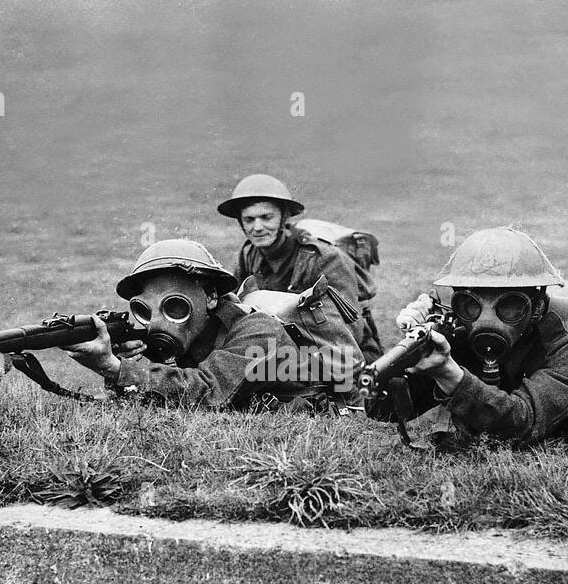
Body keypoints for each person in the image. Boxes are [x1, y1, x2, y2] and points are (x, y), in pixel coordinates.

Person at [383, 225, 568, 446]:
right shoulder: (457, 328)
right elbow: (382, 411)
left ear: (537, 306)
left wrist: (449, 373)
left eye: (509, 305)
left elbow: (523, 422)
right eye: (471, 303)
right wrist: (411, 351)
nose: (486, 320)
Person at [62, 239, 317, 409]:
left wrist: (114, 367)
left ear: (210, 297)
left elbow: (210, 390)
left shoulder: (260, 332)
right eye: (145, 311)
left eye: (175, 307)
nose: (157, 323)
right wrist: (124, 363)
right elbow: (152, 400)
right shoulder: (193, 338)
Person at [219, 173, 372, 360]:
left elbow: (350, 330)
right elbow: (231, 305)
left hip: (340, 355)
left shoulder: (323, 258)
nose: (257, 227)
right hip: (276, 349)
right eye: (249, 220)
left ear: (283, 218)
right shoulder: (249, 254)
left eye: (266, 217)